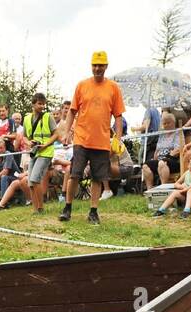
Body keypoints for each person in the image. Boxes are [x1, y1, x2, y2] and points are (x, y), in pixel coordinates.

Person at [58, 51, 126, 224]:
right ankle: (67, 207)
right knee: (75, 174)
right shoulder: (82, 85)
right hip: (81, 138)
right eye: (95, 65)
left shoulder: (113, 88)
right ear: (91, 66)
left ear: (106, 66)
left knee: (97, 177)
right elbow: (72, 111)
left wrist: (117, 138)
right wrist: (66, 132)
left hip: (102, 141)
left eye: (101, 65)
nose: (97, 68)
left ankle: (93, 211)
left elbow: (118, 116)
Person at [22, 92, 60, 212]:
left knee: (34, 179)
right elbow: (23, 136)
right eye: (39, 103)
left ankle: (41, 208)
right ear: (33, 104)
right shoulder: (27, 118)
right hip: (34, 152)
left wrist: (46, 144)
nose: (42, 106)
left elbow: (56, 134)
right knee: (30, 183)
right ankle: (35, 209)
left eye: (43, 104)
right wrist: (28, 143)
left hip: (46, 152)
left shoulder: (48, 116)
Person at [144, 111, 181, 188]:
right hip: (161, 160)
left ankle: (163, 187)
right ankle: (149, 189)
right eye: (164, 123)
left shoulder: (178, 133)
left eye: (168, 123)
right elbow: (157, 150)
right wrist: (154, 159)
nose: (166, 125)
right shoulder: (162, 134)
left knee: (161, 163)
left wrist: (168, 157)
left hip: (173, 160)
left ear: (173, 123)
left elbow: (177, 150)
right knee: (146, 165)